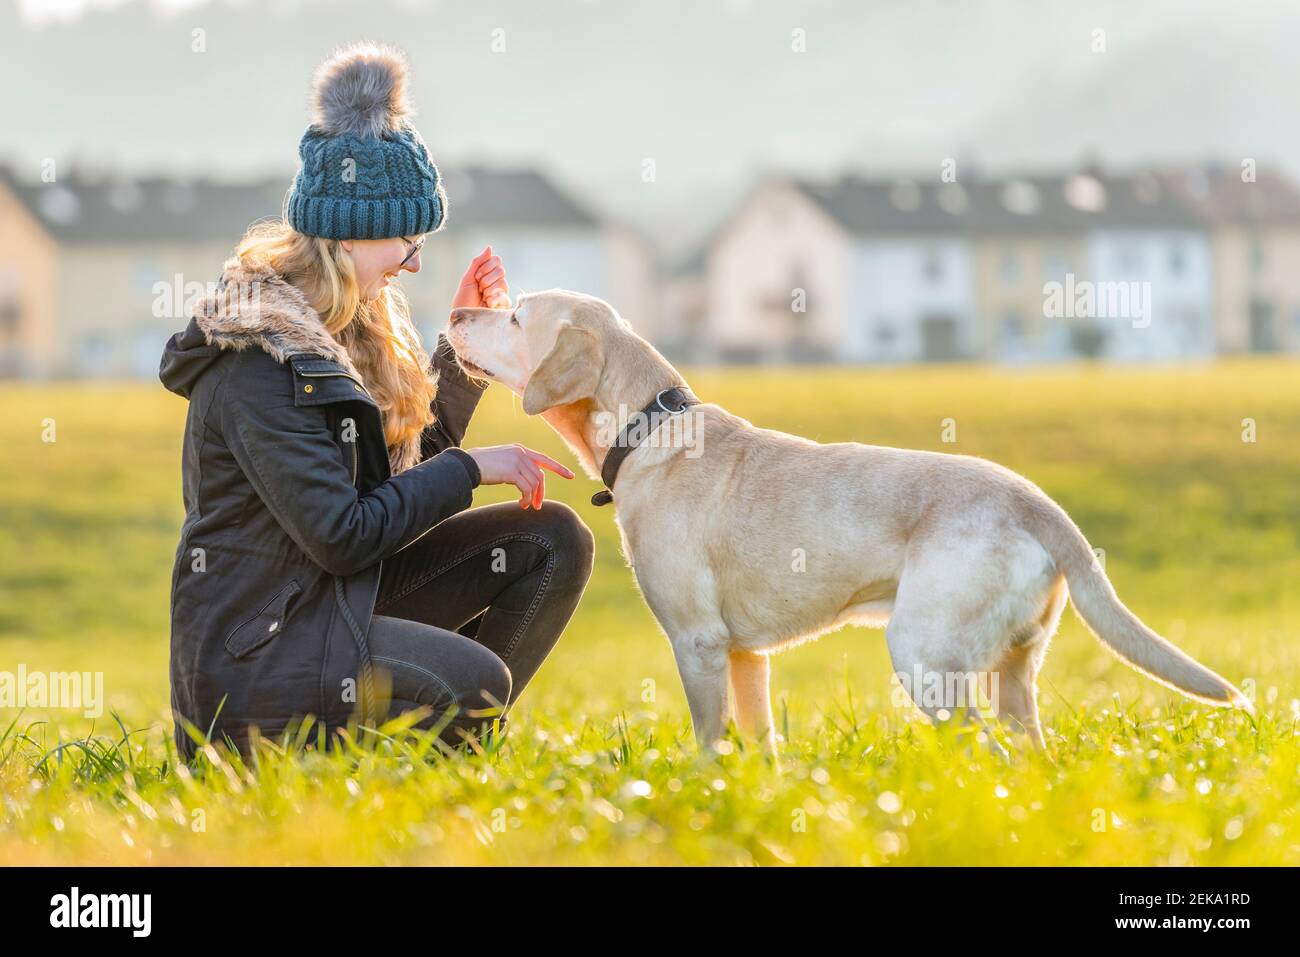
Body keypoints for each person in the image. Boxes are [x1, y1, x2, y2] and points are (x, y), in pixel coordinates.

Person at [157, 42, 594, 764]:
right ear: (352, 234)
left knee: (552, 541)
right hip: (255, 667)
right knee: (475, 680)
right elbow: (346, 533)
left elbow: (399, 486)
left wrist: (461, 356)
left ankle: (434, 751)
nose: (415, 260)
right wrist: (475, 467)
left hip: (334, 610)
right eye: (407, 238)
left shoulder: (343, 331)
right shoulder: (259, 357)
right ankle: (415, 755)